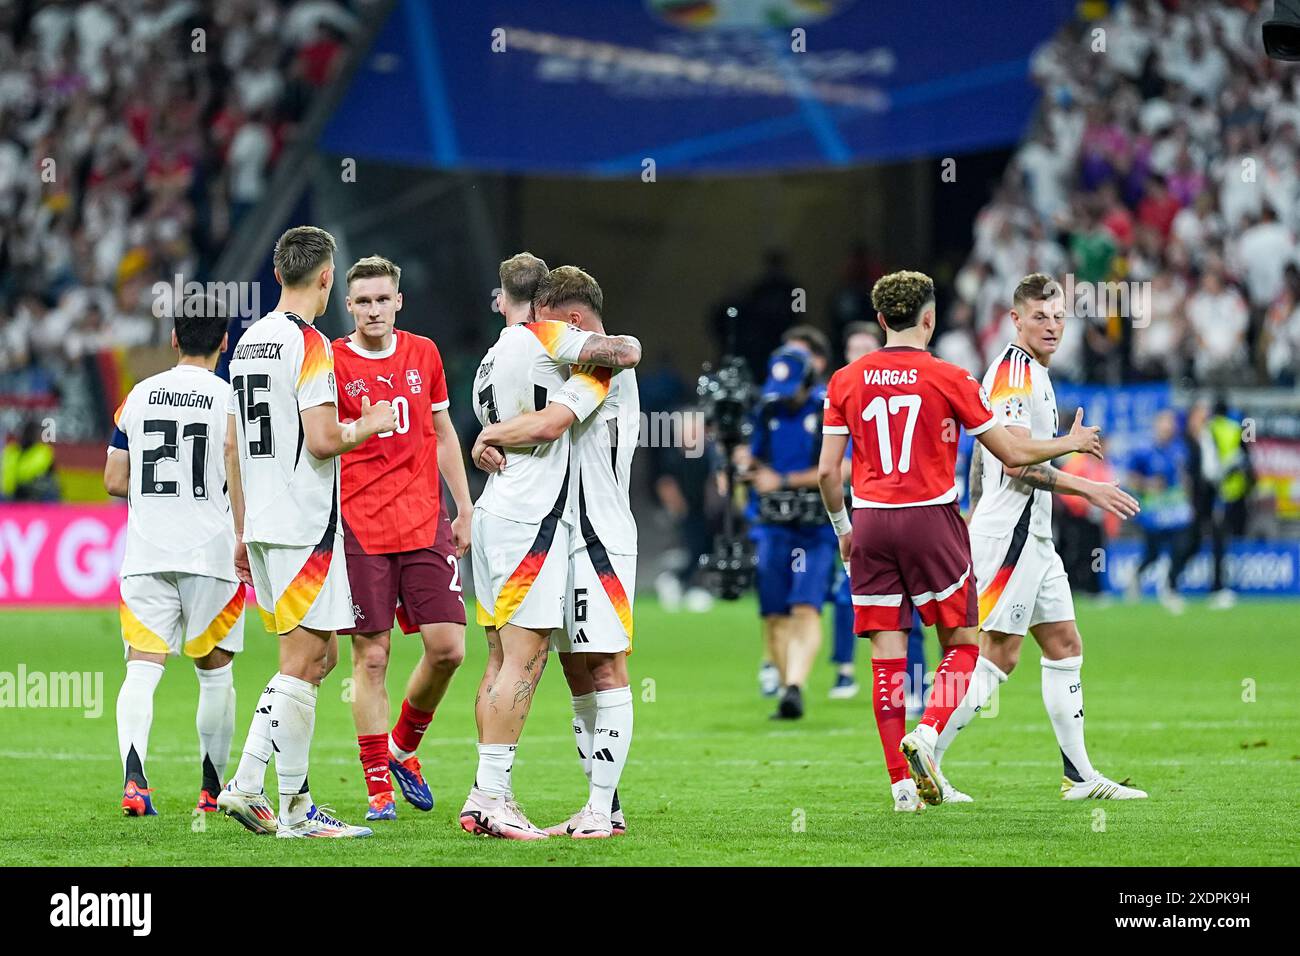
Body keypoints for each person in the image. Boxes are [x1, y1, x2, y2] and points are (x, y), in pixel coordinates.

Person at [818, 270, 1107, 811]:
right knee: (965, 647)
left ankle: (902, 788)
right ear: (929, 319)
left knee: (887, 657)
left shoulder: (844, 380)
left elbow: (828, 476)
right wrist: (1073, 442)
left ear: (881, 320)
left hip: (872, 522)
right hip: (931, 519)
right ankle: (928, 736)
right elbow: (1013, 455)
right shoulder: (952, 376)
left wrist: (844, 531)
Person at [931, 273, 1145, 804]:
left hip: (1032, 534)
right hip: (1015, 532)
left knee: (1065, 644)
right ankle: (926, 745)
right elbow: (1017, 462)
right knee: (997, 655)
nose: (1051, 326)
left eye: (1058, 316)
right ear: (1015, 319)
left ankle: (1078, 775)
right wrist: (1082, 479)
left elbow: (987, 463)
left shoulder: (1034, 373)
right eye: (1040, 317)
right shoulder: (1012, 373)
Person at [217, 226, 397, 839]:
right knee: (303, 659)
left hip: (266, 521)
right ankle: (260, 793)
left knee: (317, 655)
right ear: (326, 278)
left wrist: (241, 527)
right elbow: (324, 440)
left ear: (278, 275)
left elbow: (234, 446)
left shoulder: (247, 345)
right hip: (303, 523)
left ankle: (277, 799)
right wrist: (370, 421)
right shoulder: (310, 343)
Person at [461, 254, 641, 840]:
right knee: (556, 665)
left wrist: (485, 436)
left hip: (597, 534)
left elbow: (549, 423)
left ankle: (598, 805)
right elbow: (545, 424)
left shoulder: (585, 362)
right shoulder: (558, 354)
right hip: (547, 527)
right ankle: (504, 797)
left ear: (567, 319)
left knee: (597, 668)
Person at [330, 255, 474, 822]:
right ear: (348, 305)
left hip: (424, 522)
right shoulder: (332, 362)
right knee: (372, 656)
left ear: (398, 302)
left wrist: (464, 507)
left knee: (449, 648)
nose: (372, 310)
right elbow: (321, 438)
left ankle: (402, 748)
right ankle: (377, 790)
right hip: (361, 524)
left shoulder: (425, 354)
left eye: (381, 299)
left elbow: (442, 434)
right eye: (362, 301)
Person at [105, 299, 243, 817]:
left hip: (146, 553)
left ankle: (135, 780)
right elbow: (238, 470)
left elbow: (115, 479)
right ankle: (211, 790)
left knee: (142, 669)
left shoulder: (137, 398)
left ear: (173, 340)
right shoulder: (229, 399)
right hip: (212, 552)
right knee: (214, 672)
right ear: (224, 342)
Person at [824, 323, 928, 706]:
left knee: (906, 604)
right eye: (854, 347)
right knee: (845, 598)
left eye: (867, 346)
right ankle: (845, 671)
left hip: (876, 514)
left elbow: (827, 467)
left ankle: (913, 686)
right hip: (858, 512)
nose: (860, 353)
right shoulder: (842, 392)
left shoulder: (896, 392)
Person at [738, 345, 836, 720]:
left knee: (806, 608)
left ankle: (795, 684)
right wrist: (744, 462)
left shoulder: (827, 409)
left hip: (814, 526)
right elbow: (756, 457)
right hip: (773, 527)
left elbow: (840, 467)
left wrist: (781, 480)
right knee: (775, 613)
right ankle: (786, 689)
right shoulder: (768, 410)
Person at [1128, 409, 1195, 614]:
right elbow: (1130, 478)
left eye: (1172, 423)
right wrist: (1148, 484)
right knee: (1153, 553)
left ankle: (1170, 586)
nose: (1169, 427)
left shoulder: (1179, 450)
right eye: (1165, 423)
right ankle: (1137, 576)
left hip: (1175, 509)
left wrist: (1186, 493)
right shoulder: (1143, 450)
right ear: (1157, 425)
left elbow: (1183, 475)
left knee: (1182, 545)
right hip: (1153, 511)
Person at [1203, 397, 1255, 609]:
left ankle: (1218, 587)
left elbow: (1209, 466)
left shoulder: (1210, 429)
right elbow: (1246, 458)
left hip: (1218, 492)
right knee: (1229, 538)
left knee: (1218, 541)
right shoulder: (1236, 428)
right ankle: (1223, 586)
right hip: (1237, 491)